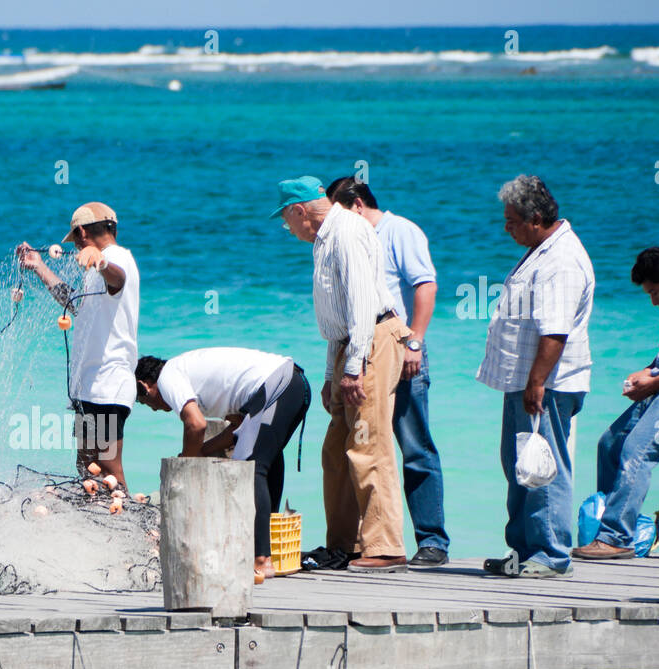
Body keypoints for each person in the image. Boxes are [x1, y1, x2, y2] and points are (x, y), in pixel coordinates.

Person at [272, 175, 412, 572]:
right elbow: (338, 315)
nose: (288, 228)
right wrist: (332, 374)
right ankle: (346, 544)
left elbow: (362, 303)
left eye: (286, 219)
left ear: (300, 211)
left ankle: (385, 546)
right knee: (335, 450)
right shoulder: (325, 238)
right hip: (350, 344)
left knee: (369, 444)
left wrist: (353, 368)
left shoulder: (347, 231)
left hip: (371, 340)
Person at [326, 178, 450, 567]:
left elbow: (425, 285)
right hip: (367, 354)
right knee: (365, 444)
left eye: (337, 212)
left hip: (400, 347)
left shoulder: (399, 231)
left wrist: (416, 341)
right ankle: (366, 539)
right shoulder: (353, 236)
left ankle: (432, 541)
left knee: (415, 446)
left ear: (357, 204)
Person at [477, 175, 593, 577]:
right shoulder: (541, 249)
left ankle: (550, 553)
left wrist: (536, 383)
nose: (506, 228)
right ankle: (522, 551)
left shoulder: (560, 261)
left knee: (544, 465)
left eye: (511, 221)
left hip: (548, 383)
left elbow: (555, 331)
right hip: (526, 379)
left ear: (536, 218)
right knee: (520, 463)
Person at [574, 247, 659, 560]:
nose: (652, 301)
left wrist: (654, 383)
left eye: (654, 292)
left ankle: (616, 537)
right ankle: (609, 524)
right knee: (610, 444)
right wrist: (646, 373)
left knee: (638, 448)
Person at [135, 349, 311, 578]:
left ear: (144, 385)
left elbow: (195, 425)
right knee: (266, 458)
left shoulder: (168, 377)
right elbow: (238, 426)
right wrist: (203, 452)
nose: (153, 408)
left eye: (144, 401)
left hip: (277, 385)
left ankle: (260, 559)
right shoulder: (190, 380)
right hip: (292, 384)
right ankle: (267, 553)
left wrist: (184, 466)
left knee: (251, 468)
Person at [17, 202, 139, 489]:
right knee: (86, 464)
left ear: (81, 232)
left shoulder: (117, 258)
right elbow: (77, 306)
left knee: (108, 465)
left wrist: (101, 262)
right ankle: (98, 522)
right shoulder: (94, 266)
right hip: (90, 386)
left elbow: (117, 278)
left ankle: (126, 527)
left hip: (109, 384)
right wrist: (39, 266)